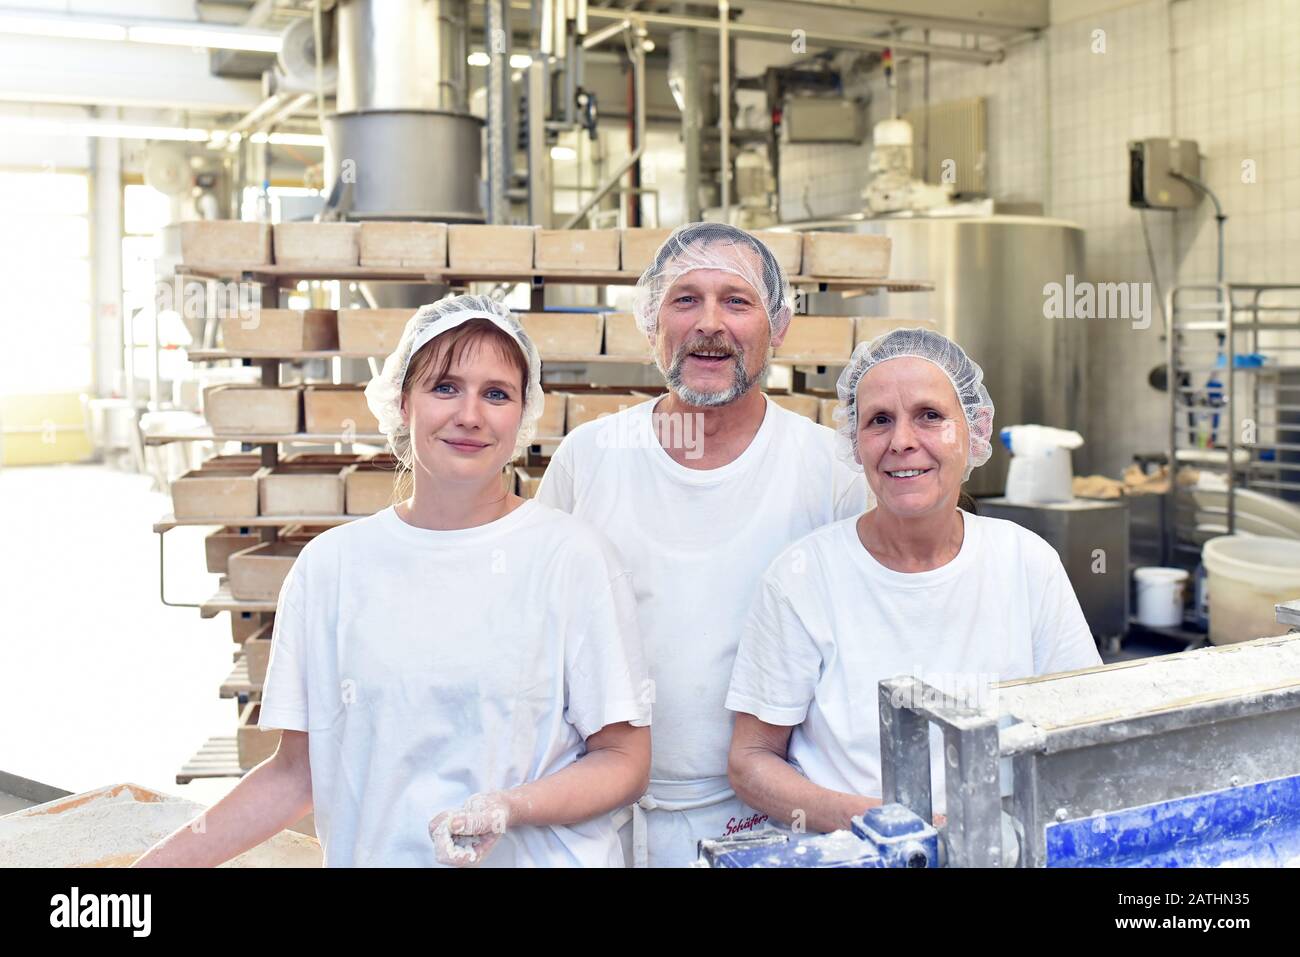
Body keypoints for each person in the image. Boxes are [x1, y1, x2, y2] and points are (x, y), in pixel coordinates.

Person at [134, 295, 650, 868]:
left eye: (497, 394)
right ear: (403, 402)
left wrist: (512, 806)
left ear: (524, 413)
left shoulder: (573, 560)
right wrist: (151, 870)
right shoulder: (331, 568)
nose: (470, 414)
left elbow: (624, 759)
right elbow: (295, 773)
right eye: (445, 387)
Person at [535, 223, 868, 867]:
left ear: (778, 325)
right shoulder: (592, 457)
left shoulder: (830, 471)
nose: (709, 323)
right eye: (685, 299)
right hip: (598, 819)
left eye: (736, 301)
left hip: (770, 824)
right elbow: (537, 637)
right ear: (651, 321)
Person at [725, 327, 1103, 833]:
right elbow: (751, 761)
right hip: (850, 854)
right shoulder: (802, 577)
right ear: (854, 442)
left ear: (974, 430)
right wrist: (888, 825)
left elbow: (1084, 730)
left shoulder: (1026, 562)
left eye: (929, 415)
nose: (902, 441)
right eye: (879, 420)